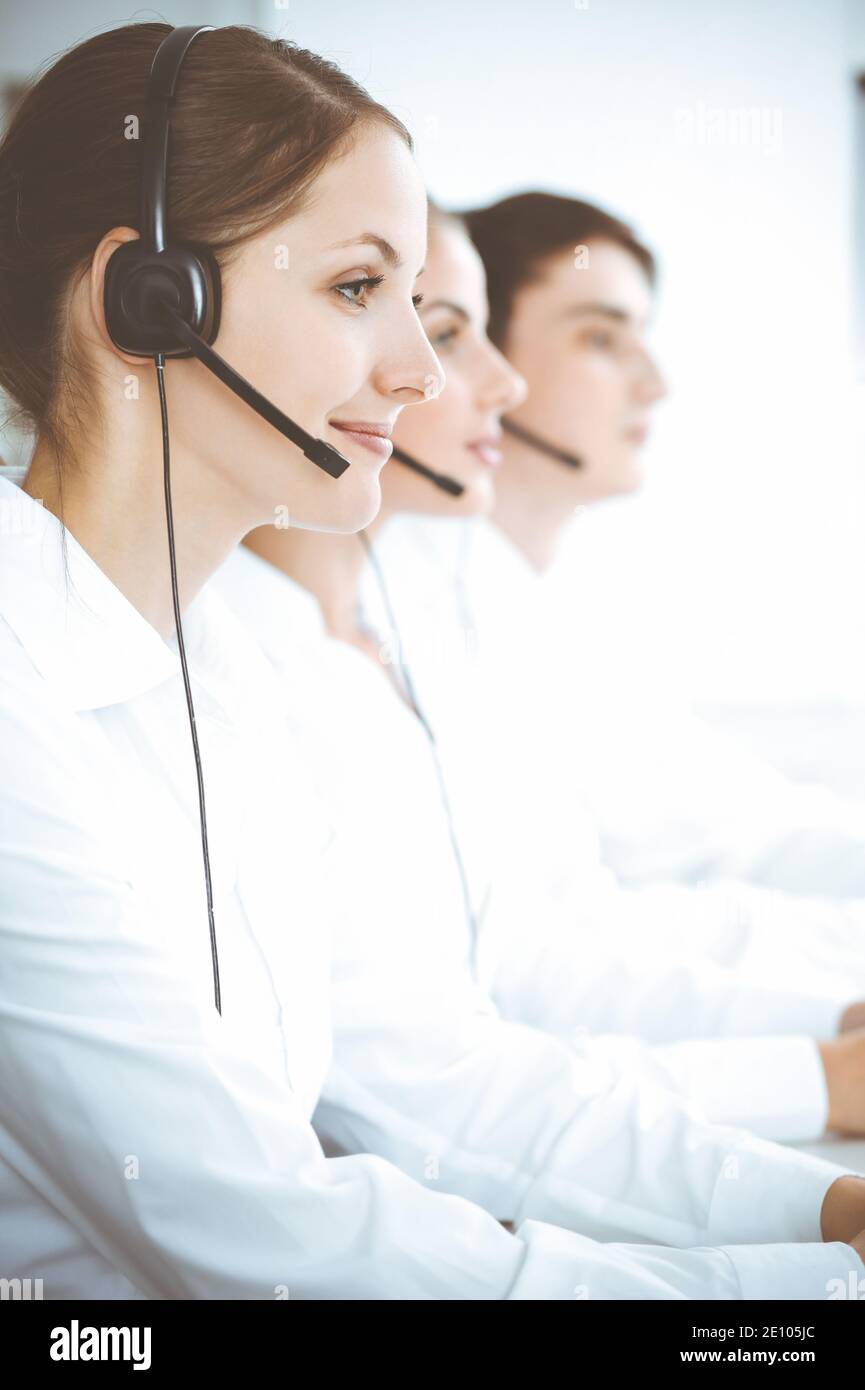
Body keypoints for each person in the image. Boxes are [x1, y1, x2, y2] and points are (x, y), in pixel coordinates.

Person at [2, 25, 864, 1302]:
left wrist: (823, 1210)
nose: (420, 372)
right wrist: (798, 1301)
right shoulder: (25, 717)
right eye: (360, 290)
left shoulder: (227, 680)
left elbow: (444, 1088)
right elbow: (267, 1239)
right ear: (151, 301)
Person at [378, 190, 865, 906]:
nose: (655, 385)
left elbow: (746, 828)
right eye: (600, 339)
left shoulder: (554, 607)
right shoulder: (409, 610)